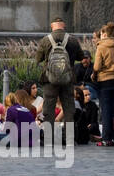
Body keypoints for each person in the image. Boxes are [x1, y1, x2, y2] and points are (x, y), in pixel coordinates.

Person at [35, 17, 84, 147]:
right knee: (69, 109)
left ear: (52, 26)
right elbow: (81, 56)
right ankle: (69, 140)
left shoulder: (46, 40)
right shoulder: (72, 40)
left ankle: (48, 140)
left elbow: (38, 58)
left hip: (49, 79)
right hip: (68, 79)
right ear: (64, 25)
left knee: (48, 110)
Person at [93, 22, 114, 147]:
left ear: (105, 34)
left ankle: (106, 138)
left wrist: (95, 73)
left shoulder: (101, 46)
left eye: (101, 33)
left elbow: (96, 66)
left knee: (106, 110)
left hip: (104, 80)